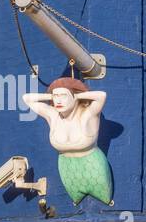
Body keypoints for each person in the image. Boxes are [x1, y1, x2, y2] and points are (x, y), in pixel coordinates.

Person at [21, 77, 113, 205]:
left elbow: (101, 96)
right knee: (75, 198)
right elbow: (27, 98)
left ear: (75, 96)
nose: (58, 100)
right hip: (67, 167)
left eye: (63, 96)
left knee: (105, 197)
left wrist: (78, 95)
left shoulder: (88, 114)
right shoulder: (52, 115)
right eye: (55, 96)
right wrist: (51, 95)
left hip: (92, 164)